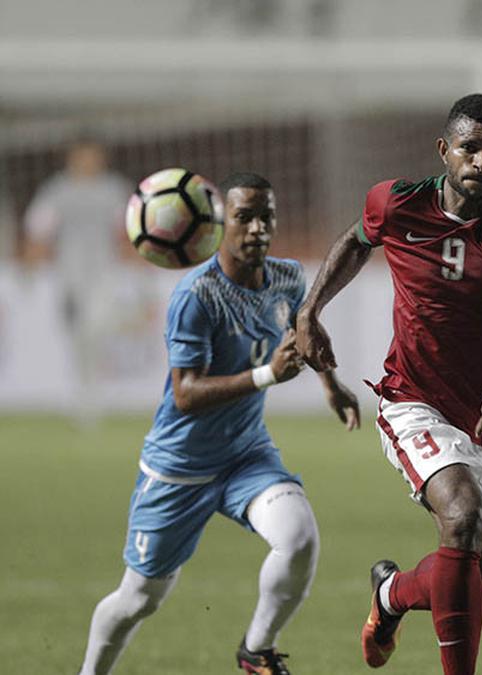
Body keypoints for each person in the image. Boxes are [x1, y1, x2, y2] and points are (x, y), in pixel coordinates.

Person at [295, 94, 482, 675]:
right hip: (415, 401)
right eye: (470, 148)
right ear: (443, 150)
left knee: (465, 572)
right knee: (463, 514)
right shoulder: (397, 204)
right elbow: (355, 240)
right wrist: (310, 310)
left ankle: (390, 595)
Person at [78, 172, 361, 675]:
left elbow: (304, 329)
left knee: (298, 537)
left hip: (245, 456)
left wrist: (330, 385)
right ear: (217, 225)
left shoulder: (288, 277)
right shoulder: (197, 295)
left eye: (266, 217)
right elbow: (185, 394)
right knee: (139, 598)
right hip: (179, 466)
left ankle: (257, 651)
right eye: (244, 217)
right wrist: (267, 375)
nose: (257, 228)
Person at [22, 138, 131, 425]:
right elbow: (39, 226)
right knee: (78, 336)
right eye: (82, 156)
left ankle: (91, 393)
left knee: (96, 325)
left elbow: (129, 228)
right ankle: (86, 398)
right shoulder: (57, 190)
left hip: (105, 271)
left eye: (93, 156)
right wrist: (32, 259)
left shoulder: (113, 189)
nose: (88, 162)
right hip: (68, 274)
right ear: (72, 158)